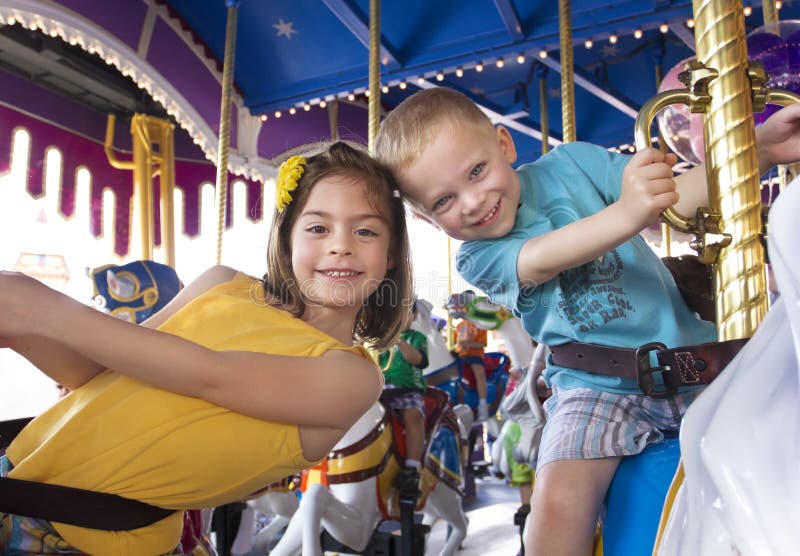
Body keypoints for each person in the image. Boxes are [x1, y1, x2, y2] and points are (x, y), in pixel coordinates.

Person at [374, 87, 800, 555]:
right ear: (427, 219)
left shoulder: (573, 164)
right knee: (556, 508)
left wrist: (759, 149)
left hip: (696, 361)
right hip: (595, 389)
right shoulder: (478, 256)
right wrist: (628, 212)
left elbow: (673, 198)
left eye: (477, 171)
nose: (472, 202)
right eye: (443, 202)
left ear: (504, 144)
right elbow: (543, 258)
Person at [0, 140, 413, 555]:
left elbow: (209, 376)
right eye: (319, 228)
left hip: (88, 538)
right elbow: (95, 372)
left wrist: (42, 308)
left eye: (365, 231)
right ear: (287, 237)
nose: (341, 245)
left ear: (391, 253)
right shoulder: (221, 284)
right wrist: (22, 331)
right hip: (16, 476)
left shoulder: (352, 378)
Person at [378, 299, 429, 498]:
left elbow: (418, 360)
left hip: (407, 390)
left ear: (414, 316)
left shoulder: (416, 337)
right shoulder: (380, 341)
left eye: (405, 313)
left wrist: (398, 340)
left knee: (413, 416)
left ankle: (412, 467)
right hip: (382, 390)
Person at [452, 292, 490, 421]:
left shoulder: (480, 323)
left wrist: (468, 344)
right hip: (462, 356)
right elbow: (455, 344)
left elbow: (483, 343)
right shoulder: (459, 326)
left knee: (478, 371)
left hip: (475, 355)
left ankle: (483, 404)